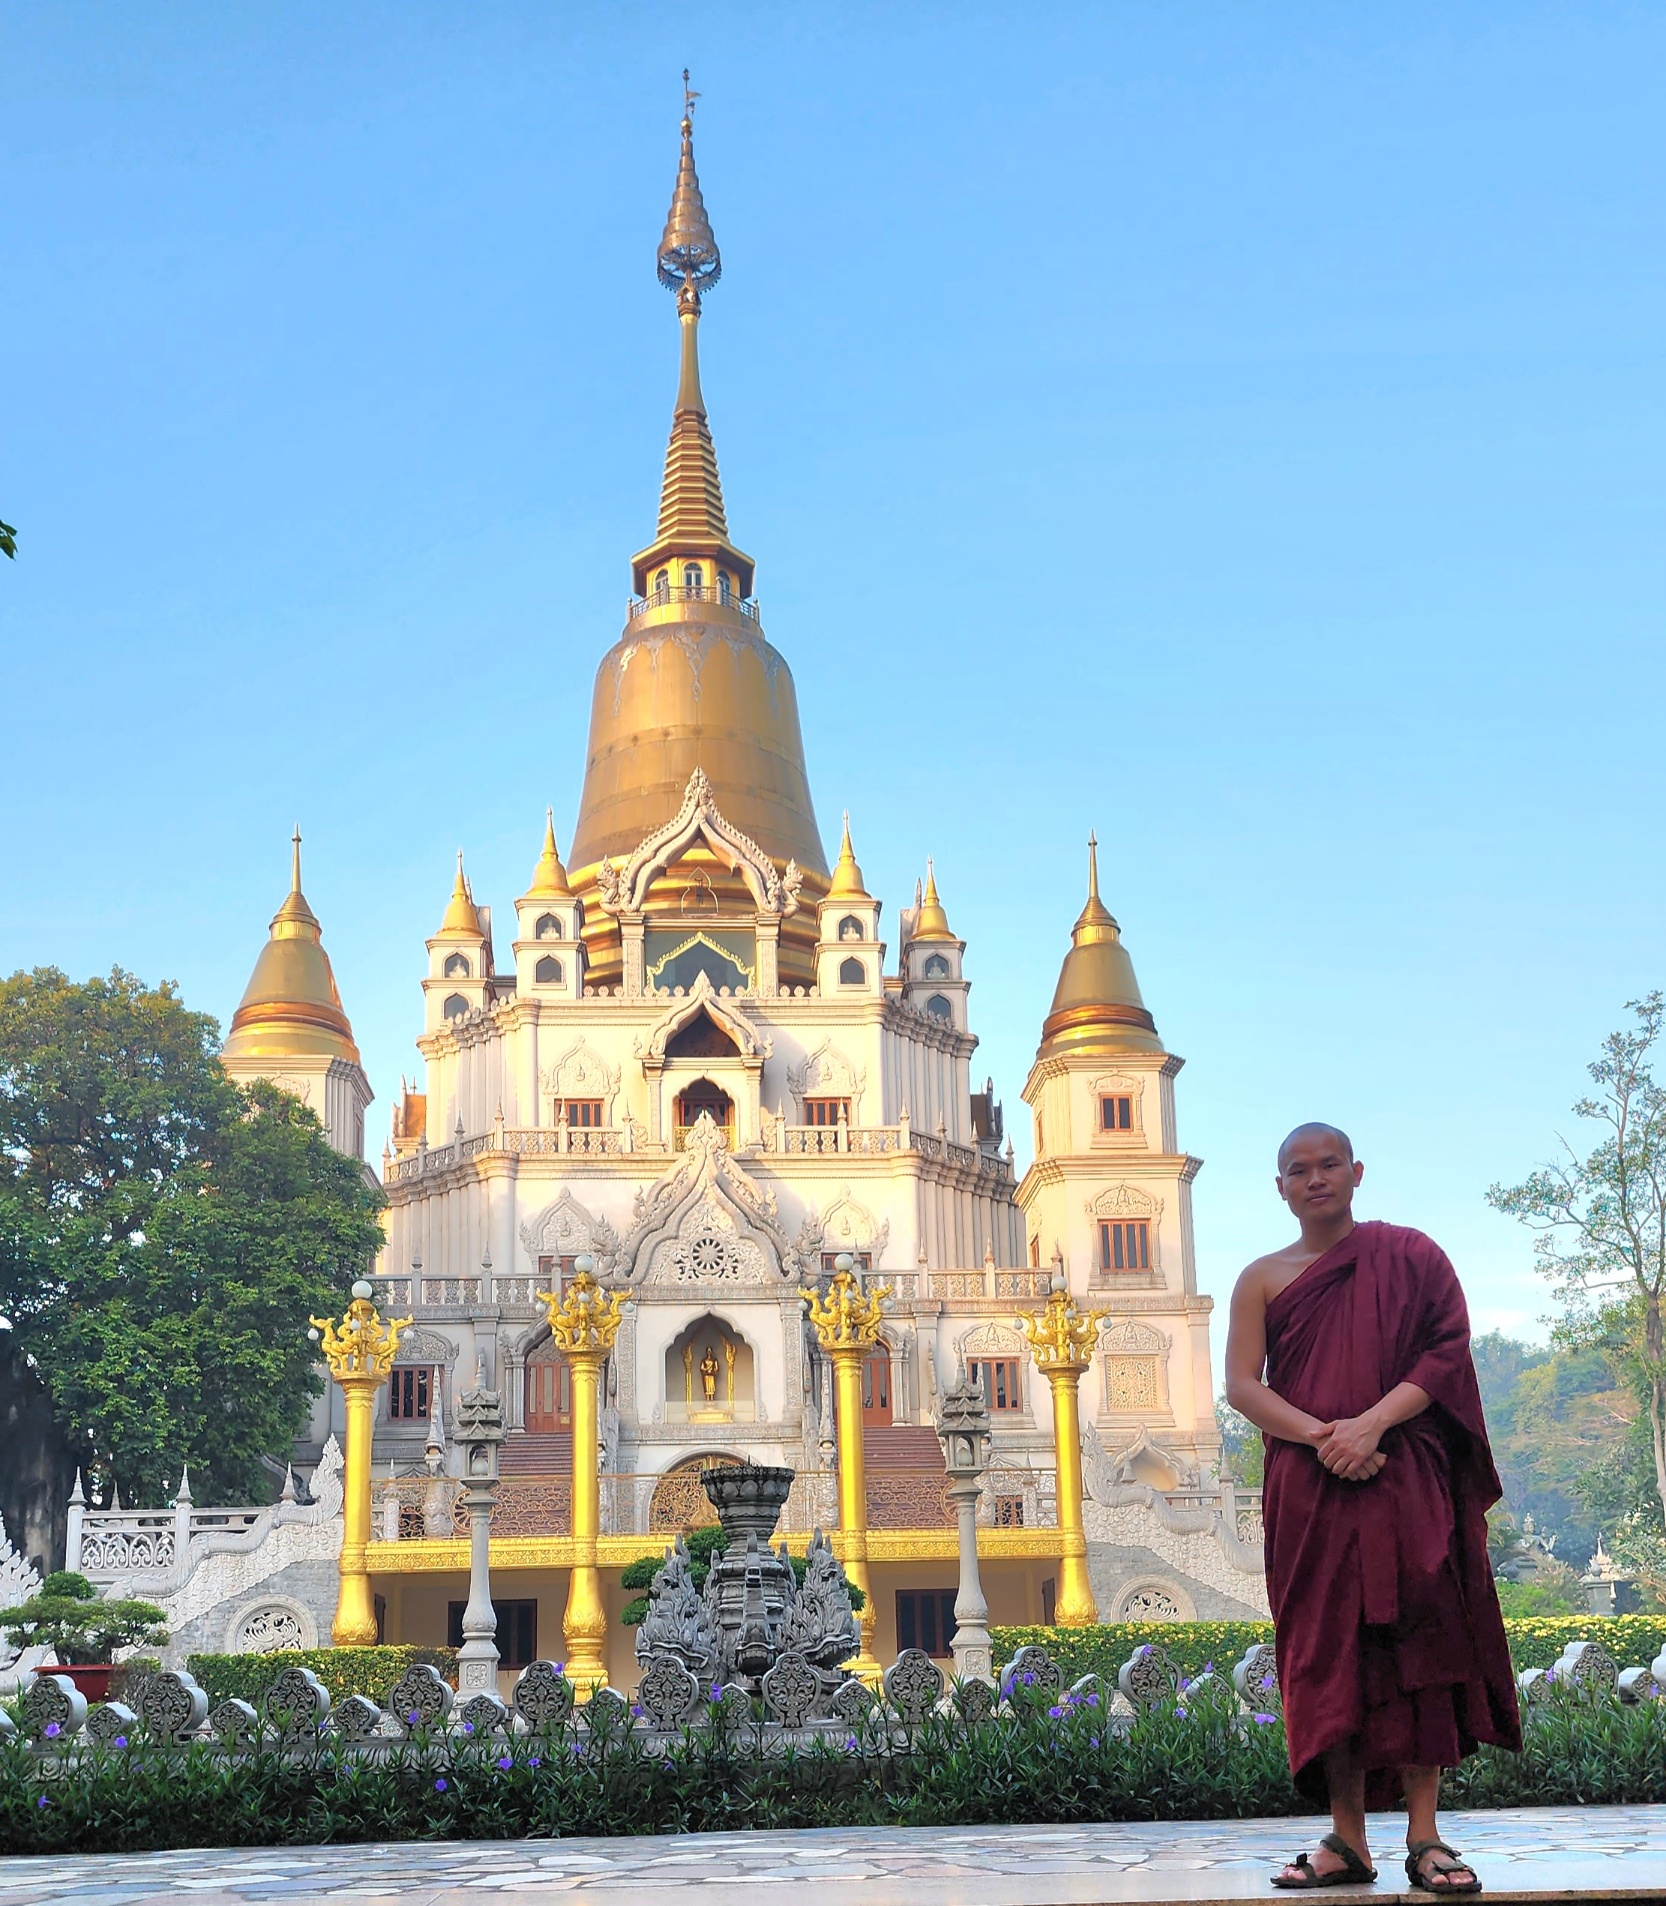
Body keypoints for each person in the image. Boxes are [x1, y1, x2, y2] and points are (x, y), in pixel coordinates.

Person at [1225, 1123, 1520, 1894]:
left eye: (1329, 1165)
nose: (1315, 1179)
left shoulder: (1411, 1256)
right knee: (1328, 1655)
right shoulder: (1261, 1277)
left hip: (1402, 1474)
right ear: (1280, 1187)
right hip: (1310, 1484)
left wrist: (1372, 1423)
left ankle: (1425, 1837)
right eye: (1298, 1170)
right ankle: (1346, 1838)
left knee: (1420, 1647)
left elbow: (1447, 1349)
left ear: (1357, 1173)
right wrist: (1325, 1435)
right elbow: (1243, 1385)